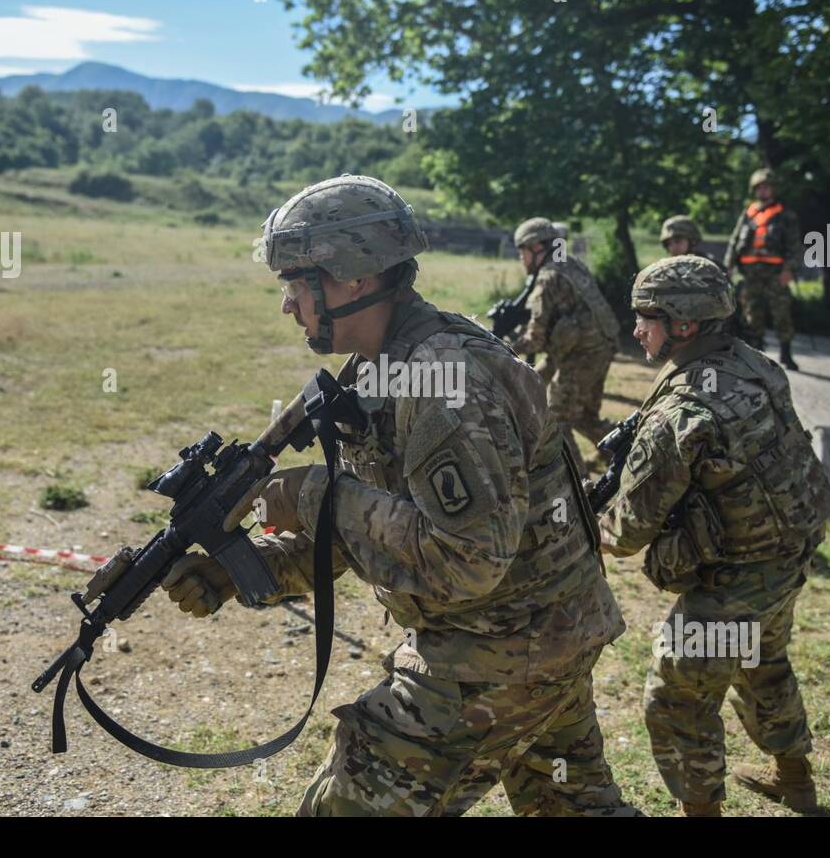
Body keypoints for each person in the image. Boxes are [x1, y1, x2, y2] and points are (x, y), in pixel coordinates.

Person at [164, 175, 638, 816]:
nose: (287, 306)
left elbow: (467, 559)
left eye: (295, 284)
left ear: (352, 278)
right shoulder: (388, 364)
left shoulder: (443, 381)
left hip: (496, 652)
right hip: (539, 634)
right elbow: (381, 526)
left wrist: (315, 494)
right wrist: (240, 572)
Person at [598, 255, 830, 816]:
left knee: (677, 699)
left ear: (684, 325)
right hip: (790, 555)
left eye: (646, 317)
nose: (636, 330)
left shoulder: (681, 412)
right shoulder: (754, 364)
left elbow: (628, 532)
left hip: (739, 577)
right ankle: (797, 786)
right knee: (763, 665)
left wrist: (584, 524)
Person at [508, 217, 620, 473]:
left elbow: (535, 339)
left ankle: (579, 484)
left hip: (581, 356)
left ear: (537, 248)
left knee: (557, 420)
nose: (521, 259)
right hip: (600, 347)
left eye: (522, 251)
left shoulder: (547, 278)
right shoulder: (571, 264)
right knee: (583, 416)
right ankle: (629, 450)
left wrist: (506, 345)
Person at [724, 169, 802, 370]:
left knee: (781, 311)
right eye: (759, 187)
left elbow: (795, 246)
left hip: (775, 272)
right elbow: (734, 241)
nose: (763, 190)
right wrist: (729, 266)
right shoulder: (748, 214)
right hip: (750, 273)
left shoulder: (785, 215)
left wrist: (789, 270)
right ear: (754, 189)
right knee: (751, 313)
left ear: (773, 189)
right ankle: (755, 354)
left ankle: (786, 353)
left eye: (766, 186)